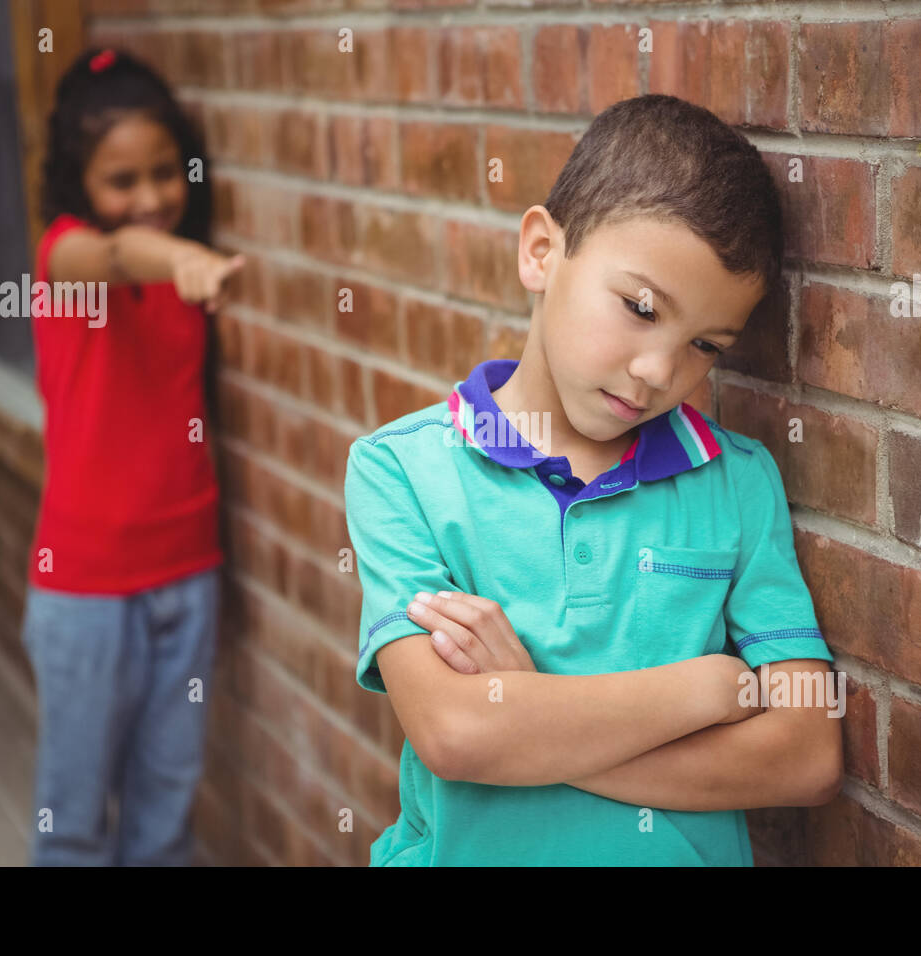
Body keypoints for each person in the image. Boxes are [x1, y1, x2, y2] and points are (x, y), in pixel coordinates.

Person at [344, 94, 842, 866]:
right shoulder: (402, 470)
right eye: (640, 308)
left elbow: (805, 756)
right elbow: (457, 733)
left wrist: (529, 711)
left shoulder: (737, 483)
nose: (658, 371)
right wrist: (706, 690)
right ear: (542, 251)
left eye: (704, 344)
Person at [20, 47, 244, 866]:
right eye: (122, 182)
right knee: (74, 827)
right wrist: (179, 258)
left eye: (163, 173)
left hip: (186, 575)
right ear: (80, 186)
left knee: (164, 823)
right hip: (85, 593)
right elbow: (116, 257)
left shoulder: (190, 270)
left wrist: (187, 261)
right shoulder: (67, 257)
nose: (149, 199)